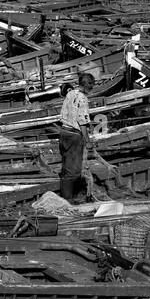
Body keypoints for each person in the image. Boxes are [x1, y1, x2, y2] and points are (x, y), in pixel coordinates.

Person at [58, 72, 95, 202]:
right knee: (73, 171)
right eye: (91, 87)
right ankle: (67, 200)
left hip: (63, 132)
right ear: (87, 86)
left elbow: (70, 112)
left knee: (66, 166)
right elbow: (82, 122)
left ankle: (66, 196)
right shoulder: (83, 99)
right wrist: (88, 141)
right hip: (74, 136)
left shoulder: (70, 93)